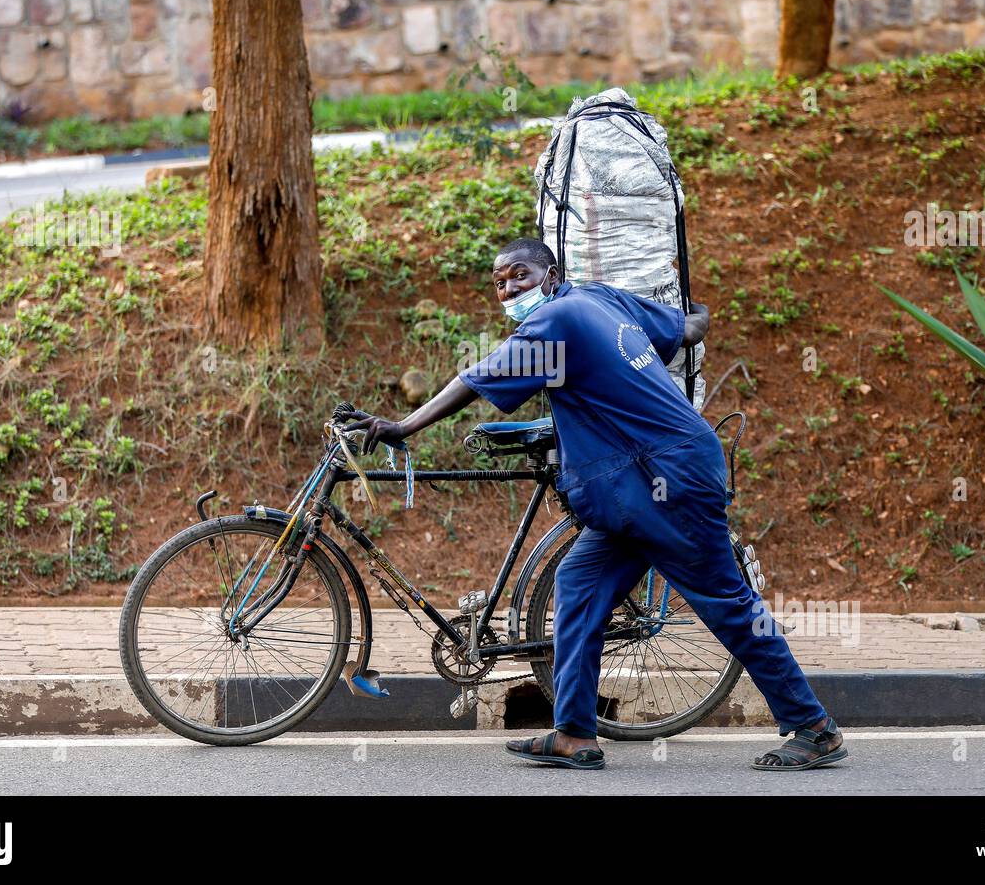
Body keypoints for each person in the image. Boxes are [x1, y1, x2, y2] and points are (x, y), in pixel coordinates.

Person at [347, 237, 847, 772]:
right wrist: (696, 310)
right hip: (630, 492)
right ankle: (574, 735)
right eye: (499, 283)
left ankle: (813, 726)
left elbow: (475, 380)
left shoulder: (557, 318)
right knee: (579, 586)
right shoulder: (603, 299)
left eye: (519, 276)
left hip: (668, 477)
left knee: (724, 601)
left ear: (551, 273)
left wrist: (400, 425)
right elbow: (686, 330)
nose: (509, 289)